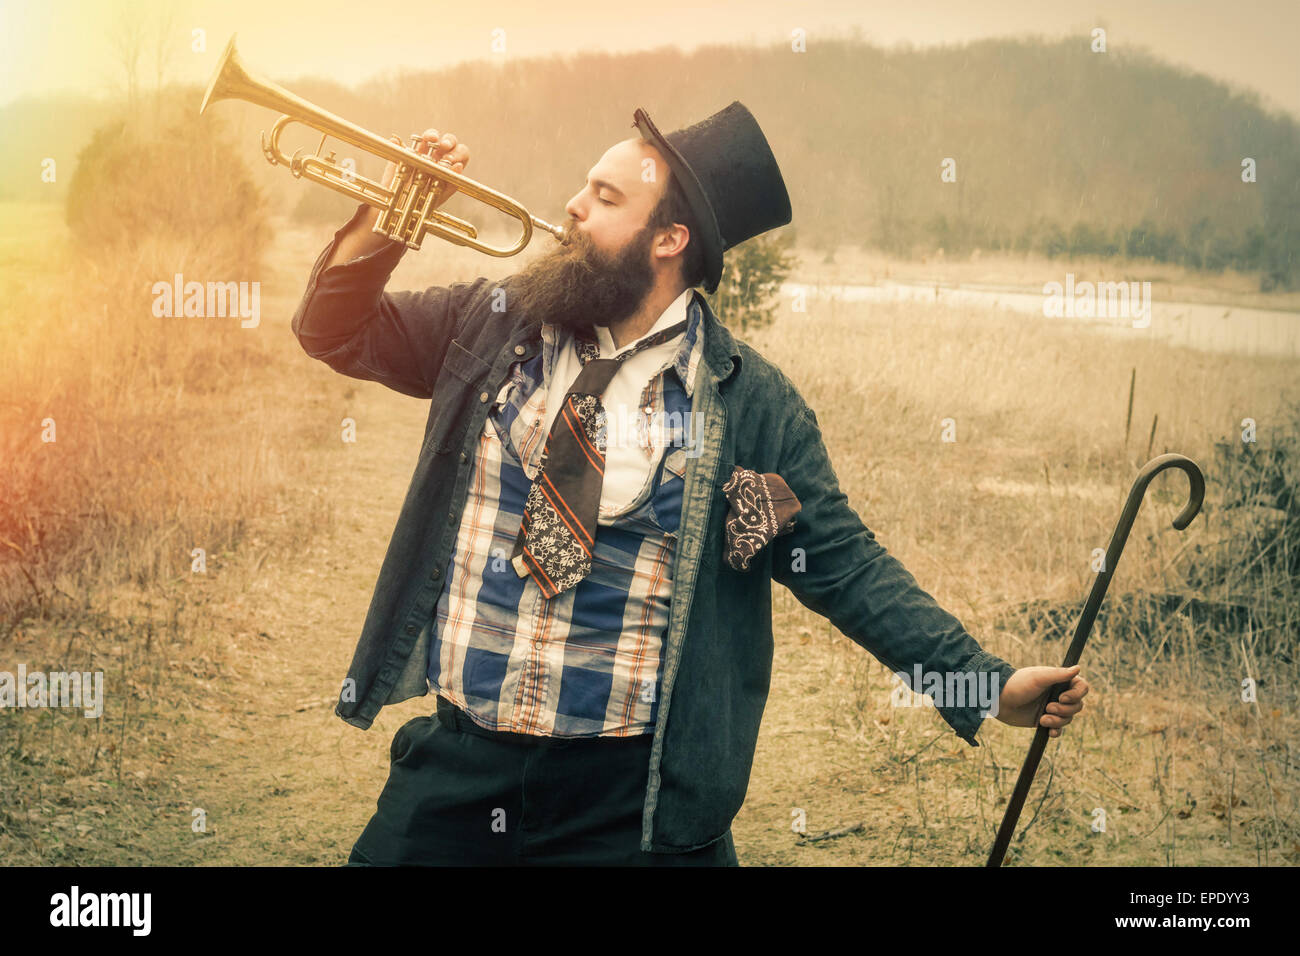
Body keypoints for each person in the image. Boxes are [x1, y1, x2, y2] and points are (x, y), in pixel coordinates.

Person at [291, 101, 1089, 866]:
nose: (571, 207)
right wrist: (388, 214)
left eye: (604, 197)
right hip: (459, 772)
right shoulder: (494, 319)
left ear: (669, 238)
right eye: (583, 187)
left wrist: (986, 682)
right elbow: (333, 330)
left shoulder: (752, 405)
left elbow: (844, 566)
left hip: (633, 807)